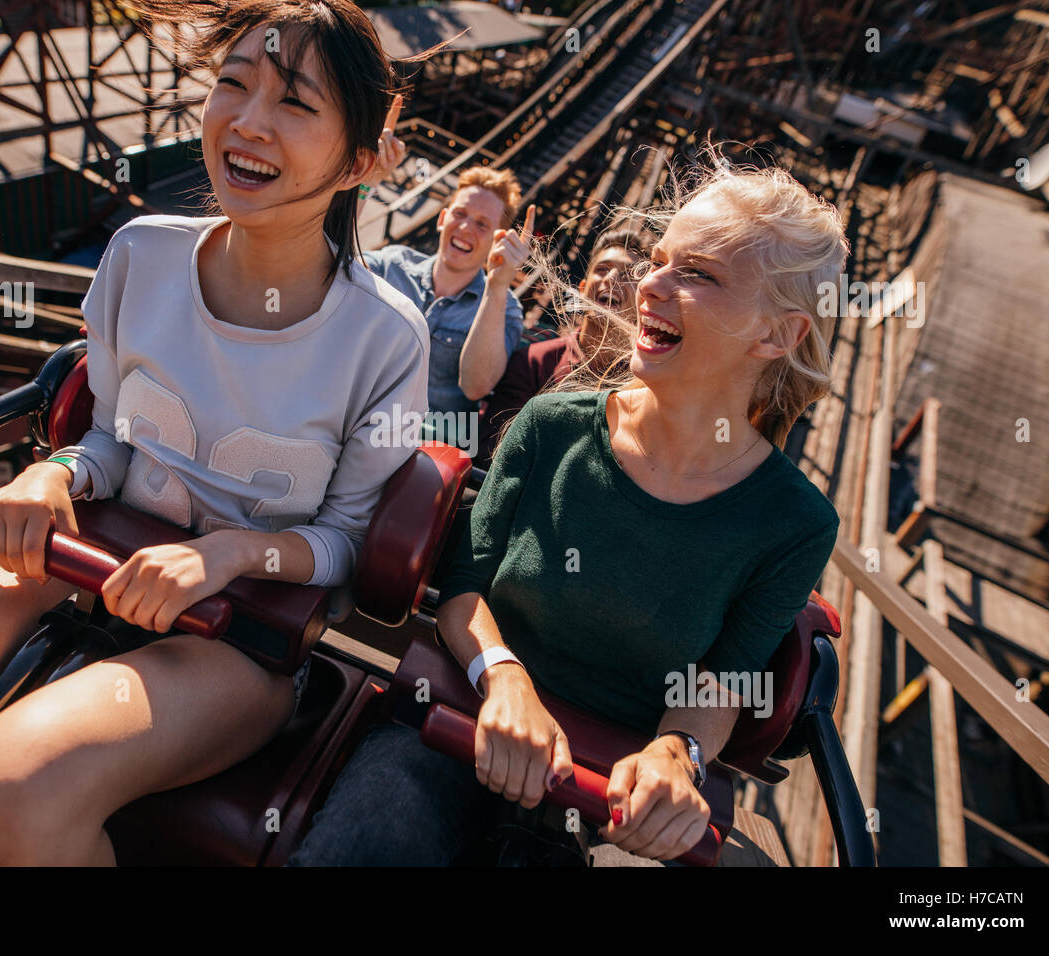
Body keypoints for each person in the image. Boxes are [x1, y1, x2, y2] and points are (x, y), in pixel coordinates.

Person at [0, 0, 429, 866]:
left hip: (238, 638)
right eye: (232, 85)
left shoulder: (383, 337)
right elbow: (116, 437)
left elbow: (345, 545)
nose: (247, 120)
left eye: (295, 104)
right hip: (84, 566)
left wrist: (230, 555)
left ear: (355, 161)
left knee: (17, 787)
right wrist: (57, 477)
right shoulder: (140, 255)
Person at [290, 157, 846, 866]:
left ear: (778, 335)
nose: (651, 283)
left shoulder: (794, 524)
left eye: (697, 274)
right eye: (660, 259)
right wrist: (508, 681)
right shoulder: (551, 426)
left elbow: (725, 677)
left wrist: (678, 756)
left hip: (607, 788)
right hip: (466, 715)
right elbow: (463, 590)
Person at [358, 162, 534, 442]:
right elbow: (331, 272)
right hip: (355, 415)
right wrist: (365, 183)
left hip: (426, 444)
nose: (465, 227)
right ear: (442, 219)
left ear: (495, 241)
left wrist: (498, 285)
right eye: (460, 213)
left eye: (482, 224)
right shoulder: (393, 265)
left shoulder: (504, 307)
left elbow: (476, 386)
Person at [474, 227, 652, 468]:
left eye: (629, 274)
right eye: (602, 269)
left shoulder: (648, 385)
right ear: (582, 289)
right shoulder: (534, 362)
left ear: (645, 300)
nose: (611, 279)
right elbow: (492, 455)